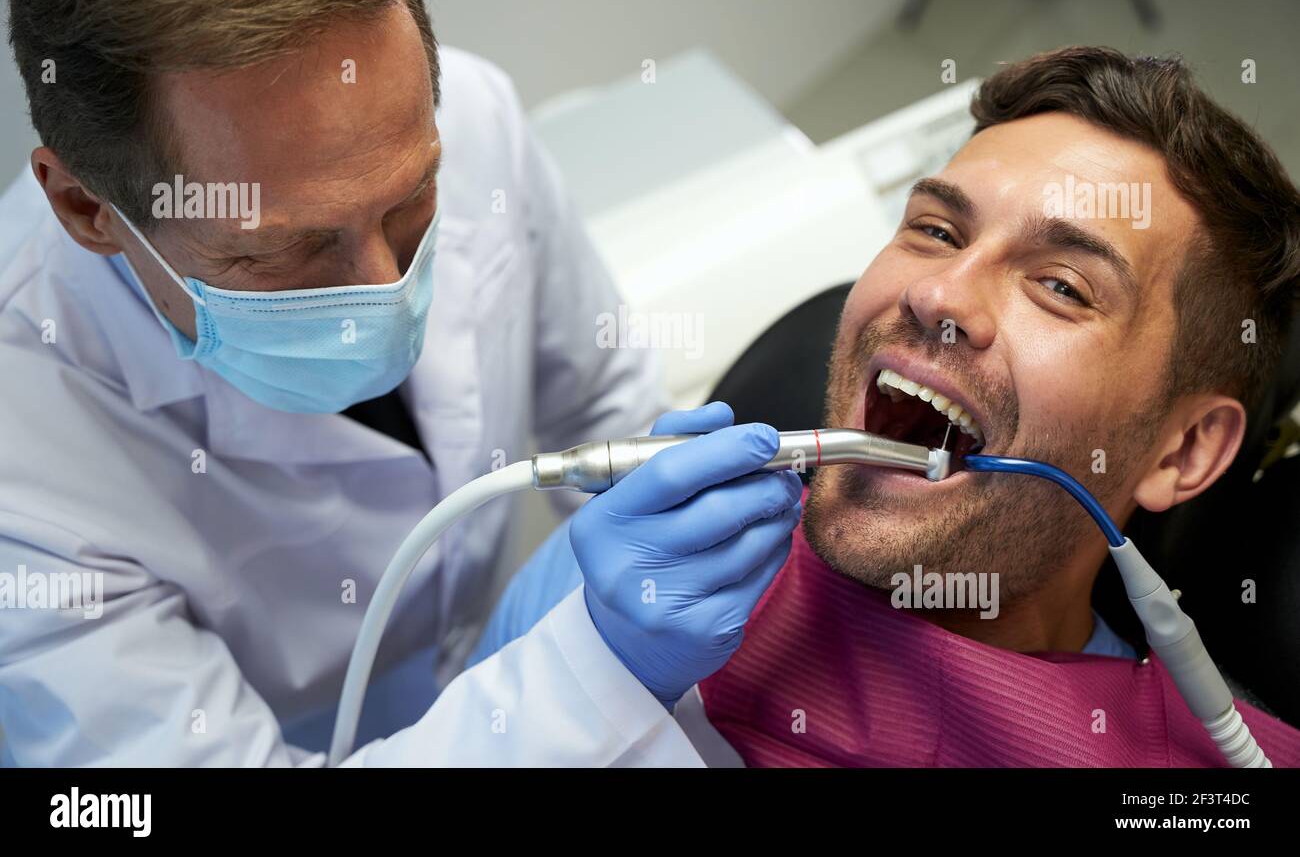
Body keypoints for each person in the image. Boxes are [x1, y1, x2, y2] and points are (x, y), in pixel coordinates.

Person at [0, 0, 800, 766]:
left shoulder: (476, 119)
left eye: (412, 201)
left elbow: (603, 404)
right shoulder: (26, 474)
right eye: (292, 246)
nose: (386, 292)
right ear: (89, 208)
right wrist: (594, 681)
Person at [473, 46, 1300, 767]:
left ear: (1183, 450)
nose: (939, 292)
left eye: (1060, 286)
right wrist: (594, 676)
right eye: (937, 231)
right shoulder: (630, 584)